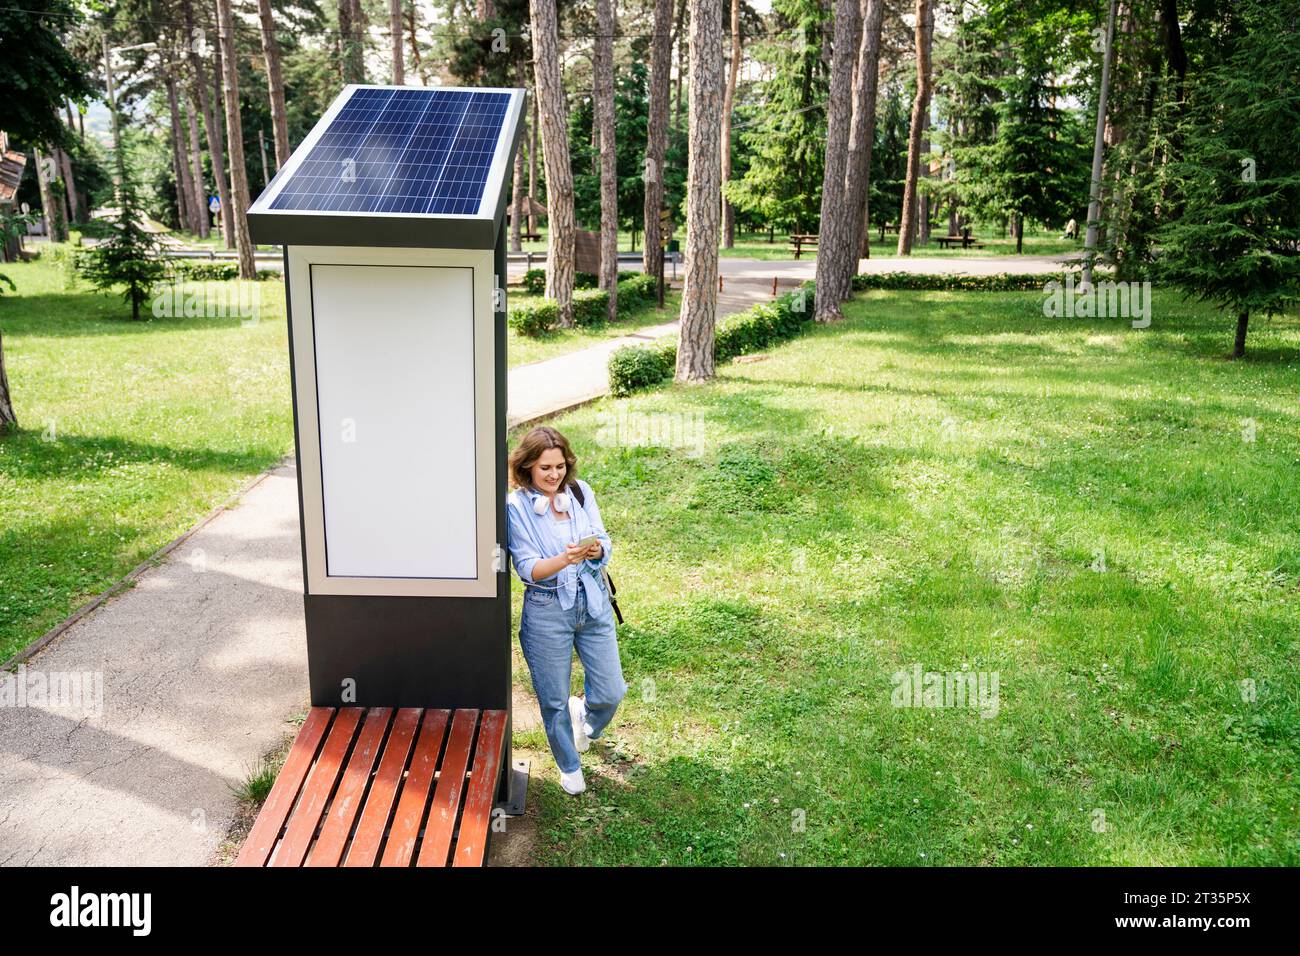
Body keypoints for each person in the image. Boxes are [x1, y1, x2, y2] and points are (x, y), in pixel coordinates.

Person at [505, 426, 628, 796]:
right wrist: (564, 558)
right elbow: (527, 567)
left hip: (592, 602)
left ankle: (587, 721)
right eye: (545, 468)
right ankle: (569, 765)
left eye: (559, 466)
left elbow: (604, 539)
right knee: (554, 698)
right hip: (546, 610)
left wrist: (596, 550)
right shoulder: (516, 507)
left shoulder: (579, 491)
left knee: (611, 691)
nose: (554, 475)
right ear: (527, 467)